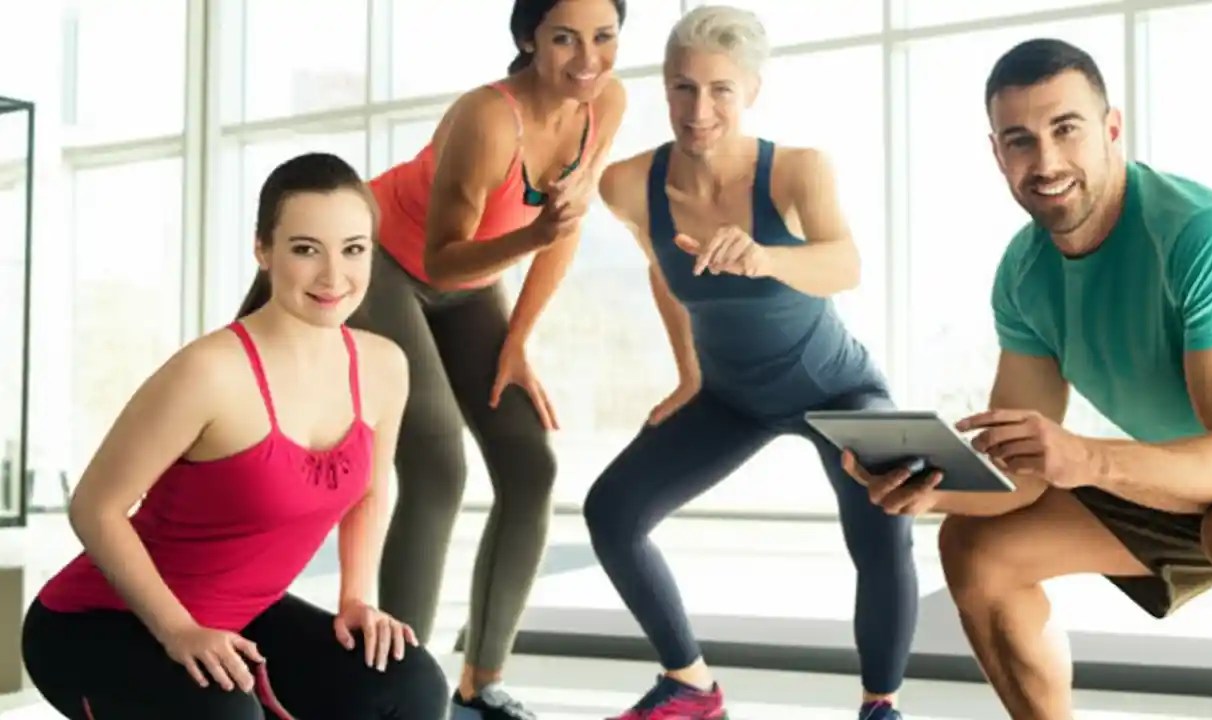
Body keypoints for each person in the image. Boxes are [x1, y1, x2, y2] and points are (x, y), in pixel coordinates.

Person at [845, 38, 1212, 719]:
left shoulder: (1205, 233)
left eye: (1065, 129)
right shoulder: (1023, 274)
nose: (1044, 162)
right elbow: (1021, 476)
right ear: (997, 154)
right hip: (1172, 484)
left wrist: (1087, 458)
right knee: (975, 547)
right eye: (1019, 141)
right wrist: (931, 490)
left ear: (1111, 129)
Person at [21, 152, 449, 719]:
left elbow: (370, 492)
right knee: (225, 712)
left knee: (409, 684)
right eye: (305, 249)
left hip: (243, 616)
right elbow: (95, 508)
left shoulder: (383, 366)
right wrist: (178, 631)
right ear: (263, 250)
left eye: (353, 249)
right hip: (97, 623)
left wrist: (355, 599)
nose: (333, 276)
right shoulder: (210, 372)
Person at [584, 6, 917, 720]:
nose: (698, 110)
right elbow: (661, 271)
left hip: (839, 391)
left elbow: (846, 264)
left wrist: (766, 255)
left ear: (751, 92)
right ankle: (691, 686)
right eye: (682, 88)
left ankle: (880, 706)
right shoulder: (626, 186)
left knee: (883, 520)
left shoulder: (797, 170)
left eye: (720, 90)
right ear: (665, 89)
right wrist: (689, 374)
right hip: (731, 397)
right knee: (612, 512)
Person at [336, 1, 629, 717]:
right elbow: (441, 255)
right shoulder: (488, 117)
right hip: (383, 267)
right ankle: (396, 696)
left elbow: (562, 227)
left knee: (530, 464)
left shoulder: (604, 102)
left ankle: (481, 681)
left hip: (470, 289)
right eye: (564, 38)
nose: (587, 59)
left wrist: (518, 343)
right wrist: (538, 234)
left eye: (604, 37)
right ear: (530, 38)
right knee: (438, 467)